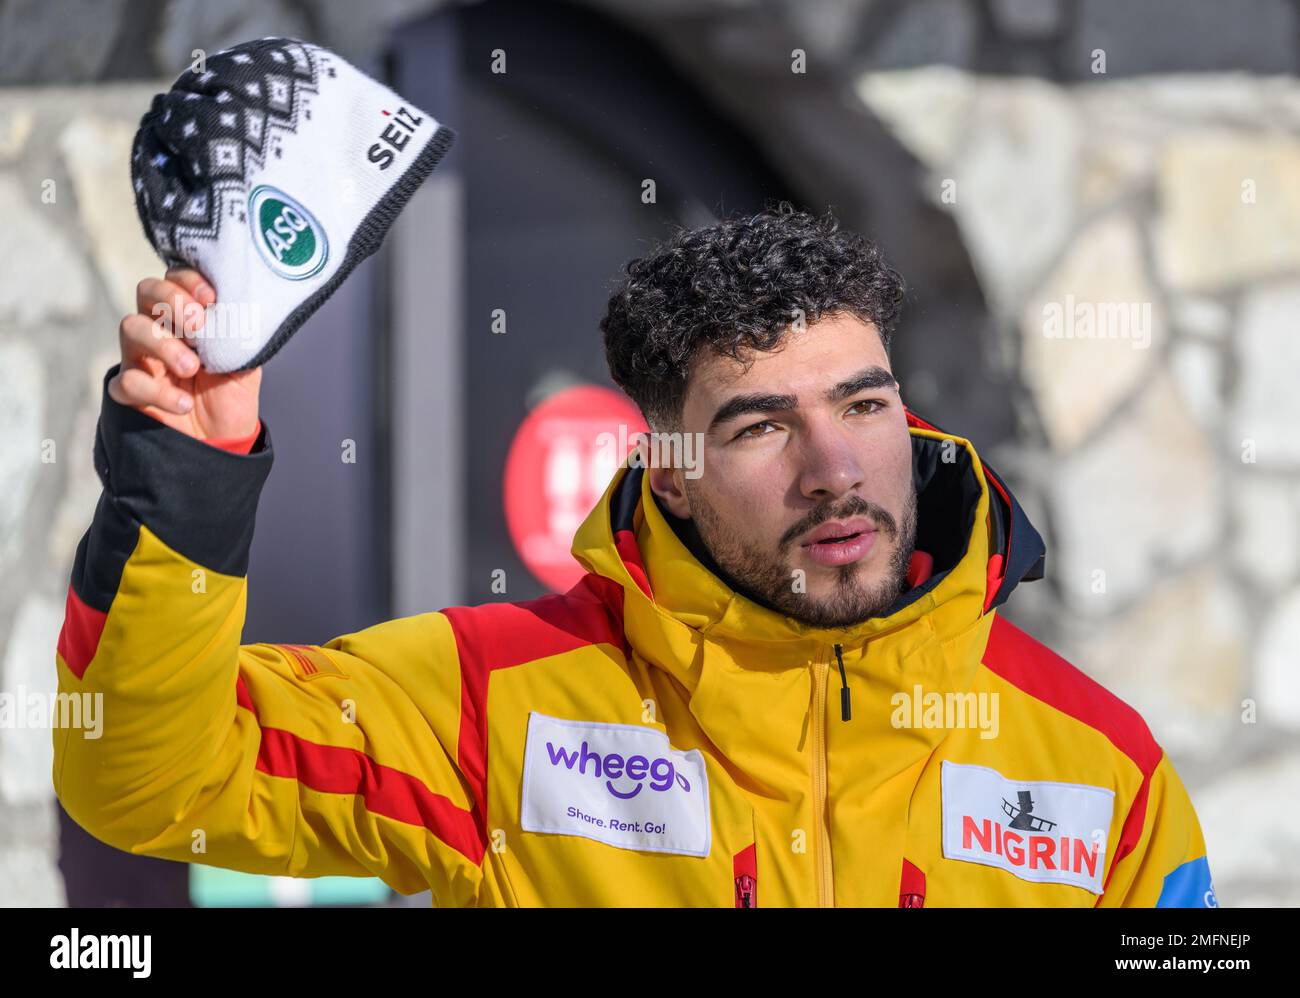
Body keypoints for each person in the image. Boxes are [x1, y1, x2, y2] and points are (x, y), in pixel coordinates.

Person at [52, 203, 1216, 907]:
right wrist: (189, 476)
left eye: (862, 406)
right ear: (665, 466)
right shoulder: (500, 702)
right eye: (760, 426)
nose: (835, 468)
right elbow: (153, 776)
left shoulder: (1100, 770)